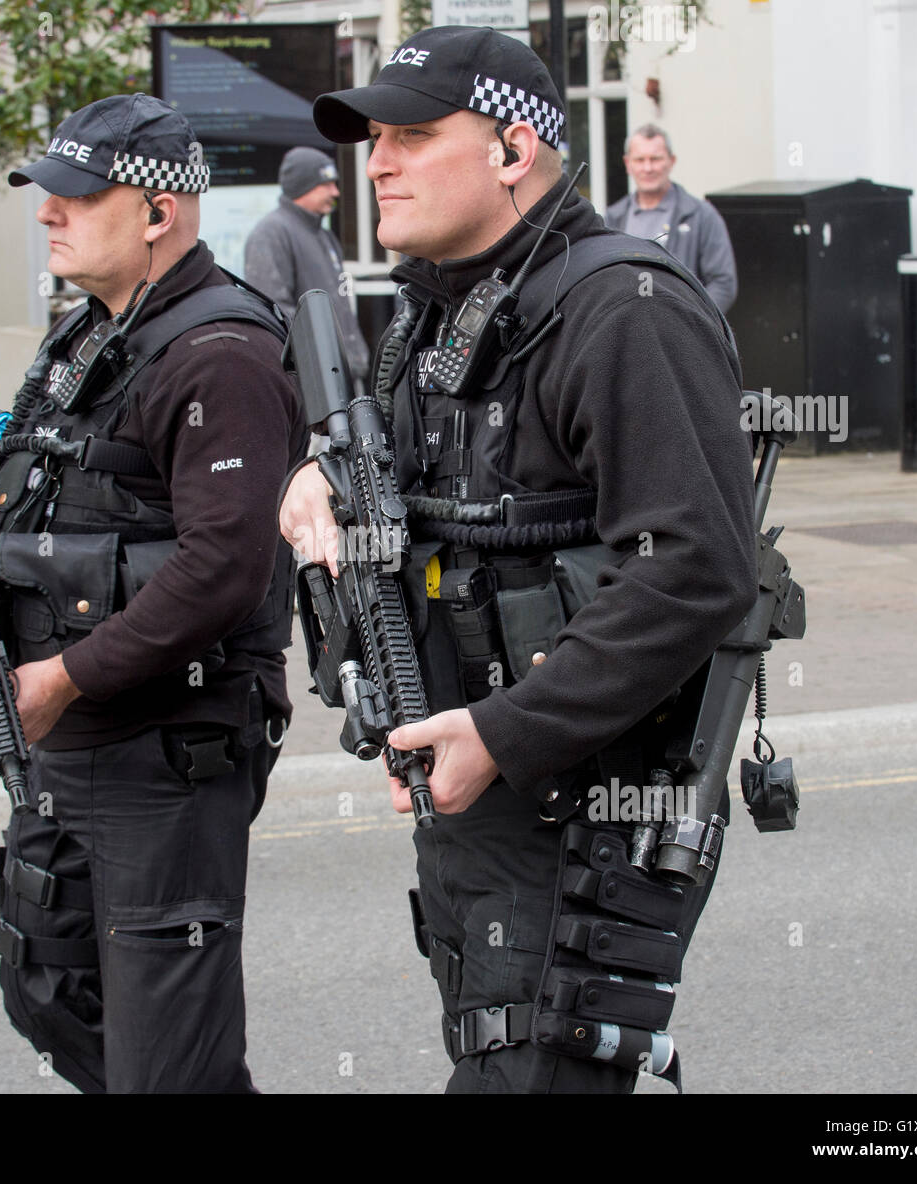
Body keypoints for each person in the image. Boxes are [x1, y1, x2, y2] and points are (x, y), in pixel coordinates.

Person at [279, 25, 757, 1093]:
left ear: (510, 149)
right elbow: (409, 492)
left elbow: (694, 565)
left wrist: (503, 729)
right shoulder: (434, 306)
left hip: (587, 795)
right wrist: (312, 477)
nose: (380, 162)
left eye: (411, 133)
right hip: (473, 784)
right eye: (373, 138)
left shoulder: (623, 309)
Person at [0, 94, 307, 1092]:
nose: (48, 213)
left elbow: (223, 566)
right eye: (45, 195)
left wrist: (65, 676)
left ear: (157, 214)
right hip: (68, 740)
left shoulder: (220, 354)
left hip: (163, 749)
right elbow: (46, 481)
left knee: (167, 1061)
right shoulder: (87, 335)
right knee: (48, 985)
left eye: (76, 196)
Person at [244, 146, 371, 385]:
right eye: (327, 184)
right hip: (313, 384)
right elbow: (274, 311)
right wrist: (323, 362)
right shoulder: (271, 233)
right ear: (302, 186)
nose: (335, 192)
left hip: (344, 377)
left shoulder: (324, 235)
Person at [605, 123, 738, 315]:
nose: (648, 167)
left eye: (655, 159)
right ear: (628, 164)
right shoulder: (613, 219)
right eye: (640, 160)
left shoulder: (701, 215)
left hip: (685, 334)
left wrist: (694, 322)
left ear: (671, 161)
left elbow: (723, 283)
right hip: (629, 333)